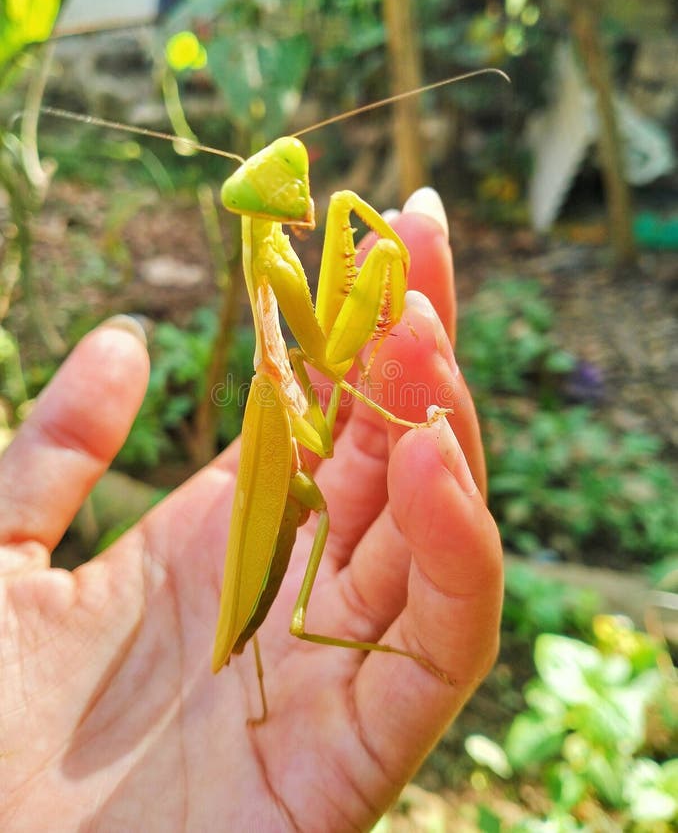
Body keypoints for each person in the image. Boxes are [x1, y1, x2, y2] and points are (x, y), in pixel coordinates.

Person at [0, 189, 502, 830]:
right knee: (297, 612)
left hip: (283, 463)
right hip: (273, 522)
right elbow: (326, 417)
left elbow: (322, 404)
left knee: (307, 366)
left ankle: (255, 679)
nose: (305, 208)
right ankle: (287, 665)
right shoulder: (273, 374)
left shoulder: (281, 367)